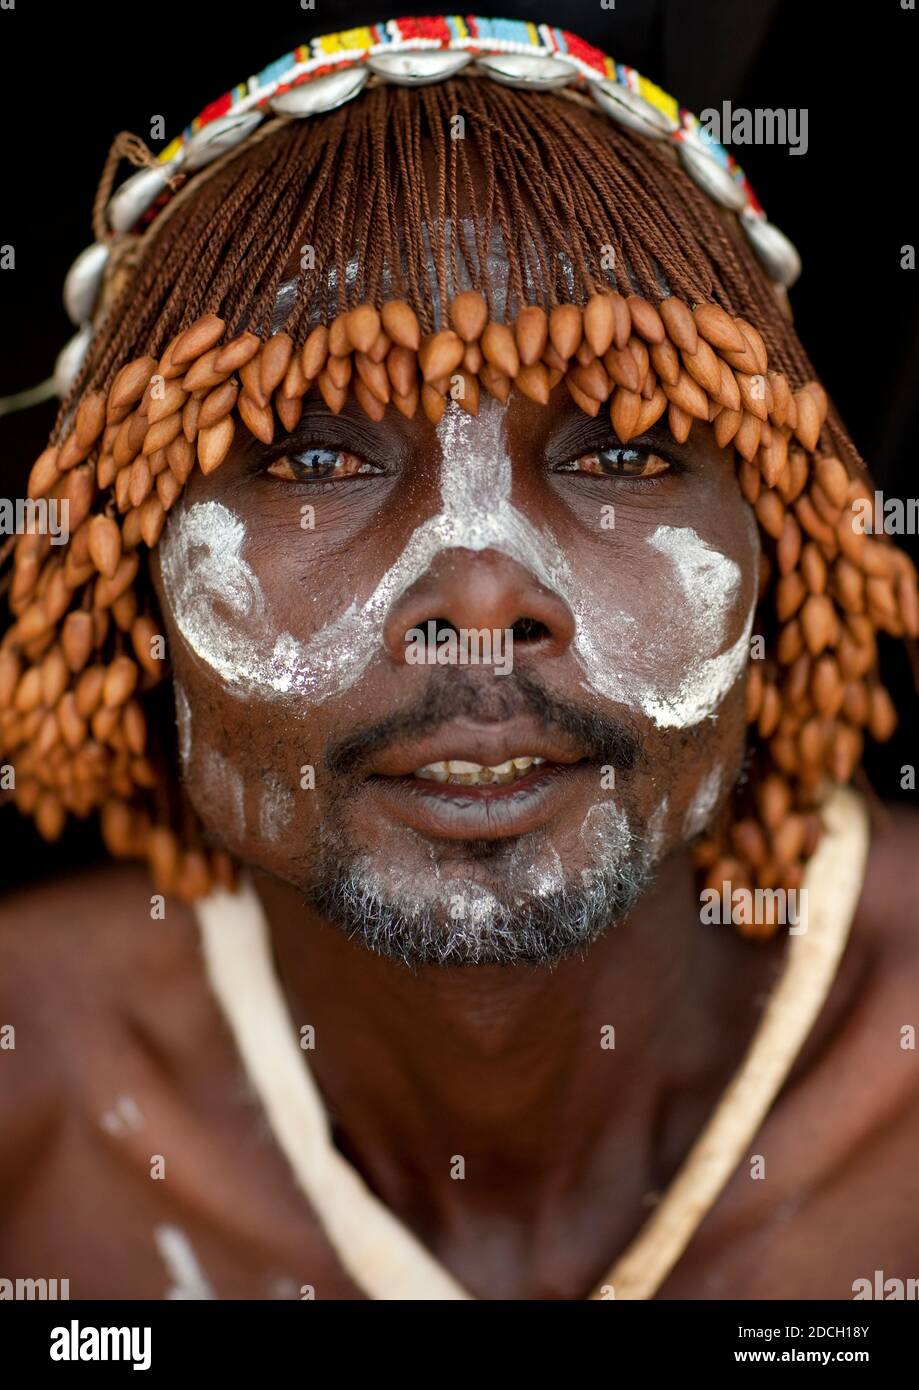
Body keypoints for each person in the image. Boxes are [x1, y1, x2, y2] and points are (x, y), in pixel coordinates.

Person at [1, 15, 917, 1301]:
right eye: (315, 459)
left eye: (622, 451)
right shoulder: (29, 1115)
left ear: (787, 554)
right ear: (116, 585)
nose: (481, 591)